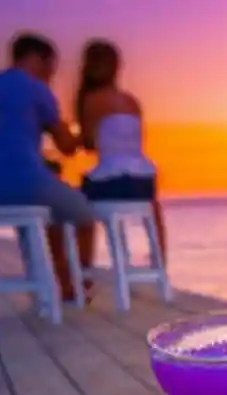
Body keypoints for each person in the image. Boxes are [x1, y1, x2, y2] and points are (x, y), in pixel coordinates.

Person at [0, 33, 95, 302]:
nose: (50, 77)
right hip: (25, 182)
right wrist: (88, 133)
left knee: (49, 210)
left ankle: (55, 284)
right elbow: (67, 146)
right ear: (39, 59)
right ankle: (80, 281)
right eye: (51, 69)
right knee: (84, 213)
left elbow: (1, 135)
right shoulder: (36, 89)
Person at [74, 39, 168, 265]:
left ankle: (83, 267)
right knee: (152, 202)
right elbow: (136, 145)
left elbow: (89, 143)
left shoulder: (91, 100)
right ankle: (160, 257)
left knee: (76, 204)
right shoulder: (132, 102)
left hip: (113, 182)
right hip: (144, 183)